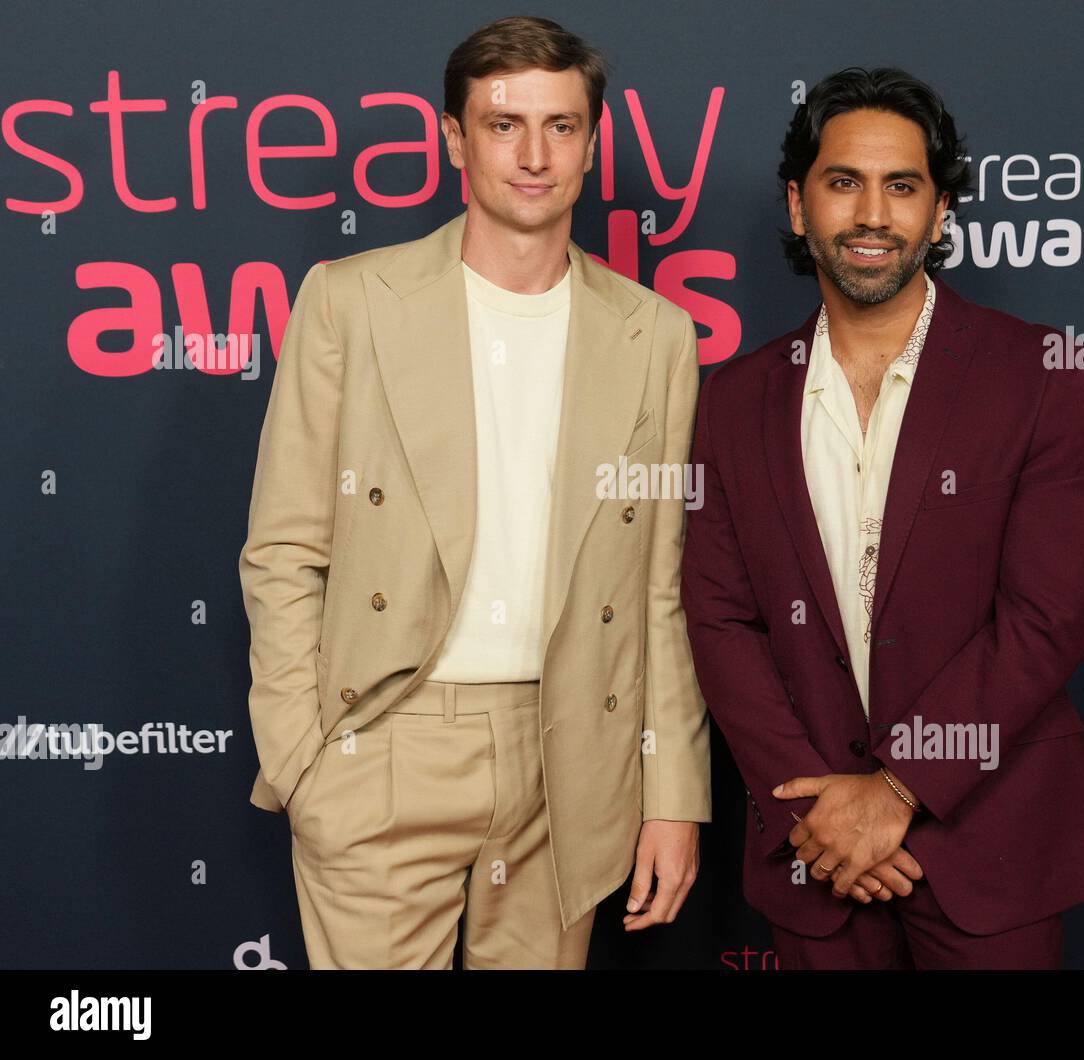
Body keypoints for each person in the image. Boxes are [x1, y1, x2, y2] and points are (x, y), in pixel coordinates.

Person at [239, 15, 710, 969]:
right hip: (386, 743)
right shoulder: (352, 301)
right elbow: (285, 548)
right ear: (454, 138)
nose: (533, 155)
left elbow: (659, 590)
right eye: (503, 125)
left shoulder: (654, 336)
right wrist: (302, 762)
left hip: (572, 749)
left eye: (561, 126)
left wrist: (672, 792)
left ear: (590, 142)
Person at [681, 66, 1084, 969]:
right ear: (800, 207)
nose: (873, 214)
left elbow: (1045, 619)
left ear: (940, 208)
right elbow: (721, 618)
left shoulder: (1039, 375)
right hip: (813, 862)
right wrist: (817, 812)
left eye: (902, 186)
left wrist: (896, 790)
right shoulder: (734, 400)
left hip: (990, 844)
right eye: (843, 183)